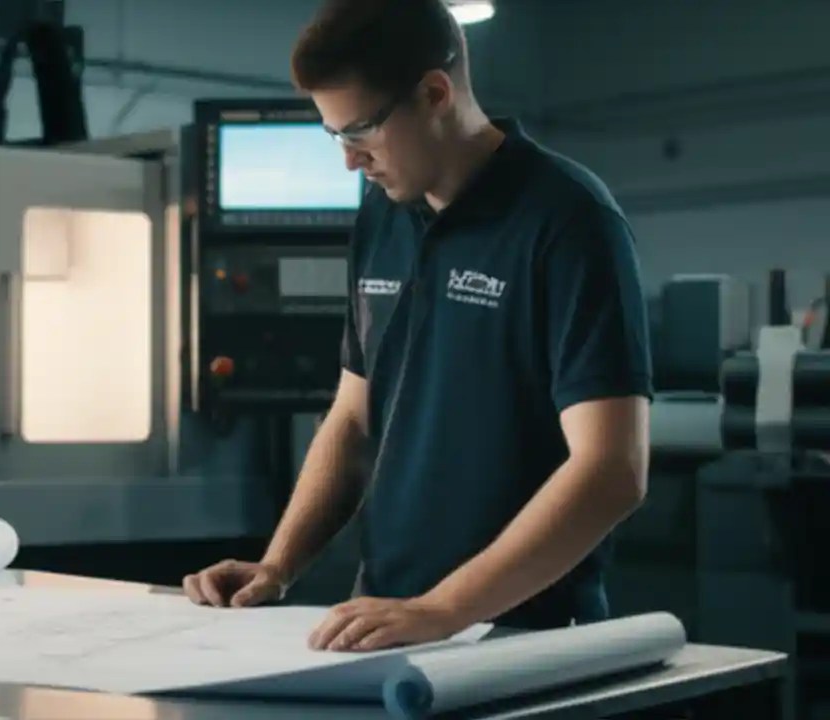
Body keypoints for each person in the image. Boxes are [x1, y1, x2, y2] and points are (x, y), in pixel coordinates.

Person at [183, 0, 653, 653]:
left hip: (524, 636)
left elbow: (612, 470)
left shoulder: (567, 221)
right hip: (386, 623)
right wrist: (277, 565)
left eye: (362, 131)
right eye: (335, 136)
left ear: (435, 93)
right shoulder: (382, 217)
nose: (350, 161)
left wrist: (445, 608)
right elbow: (352, 422)